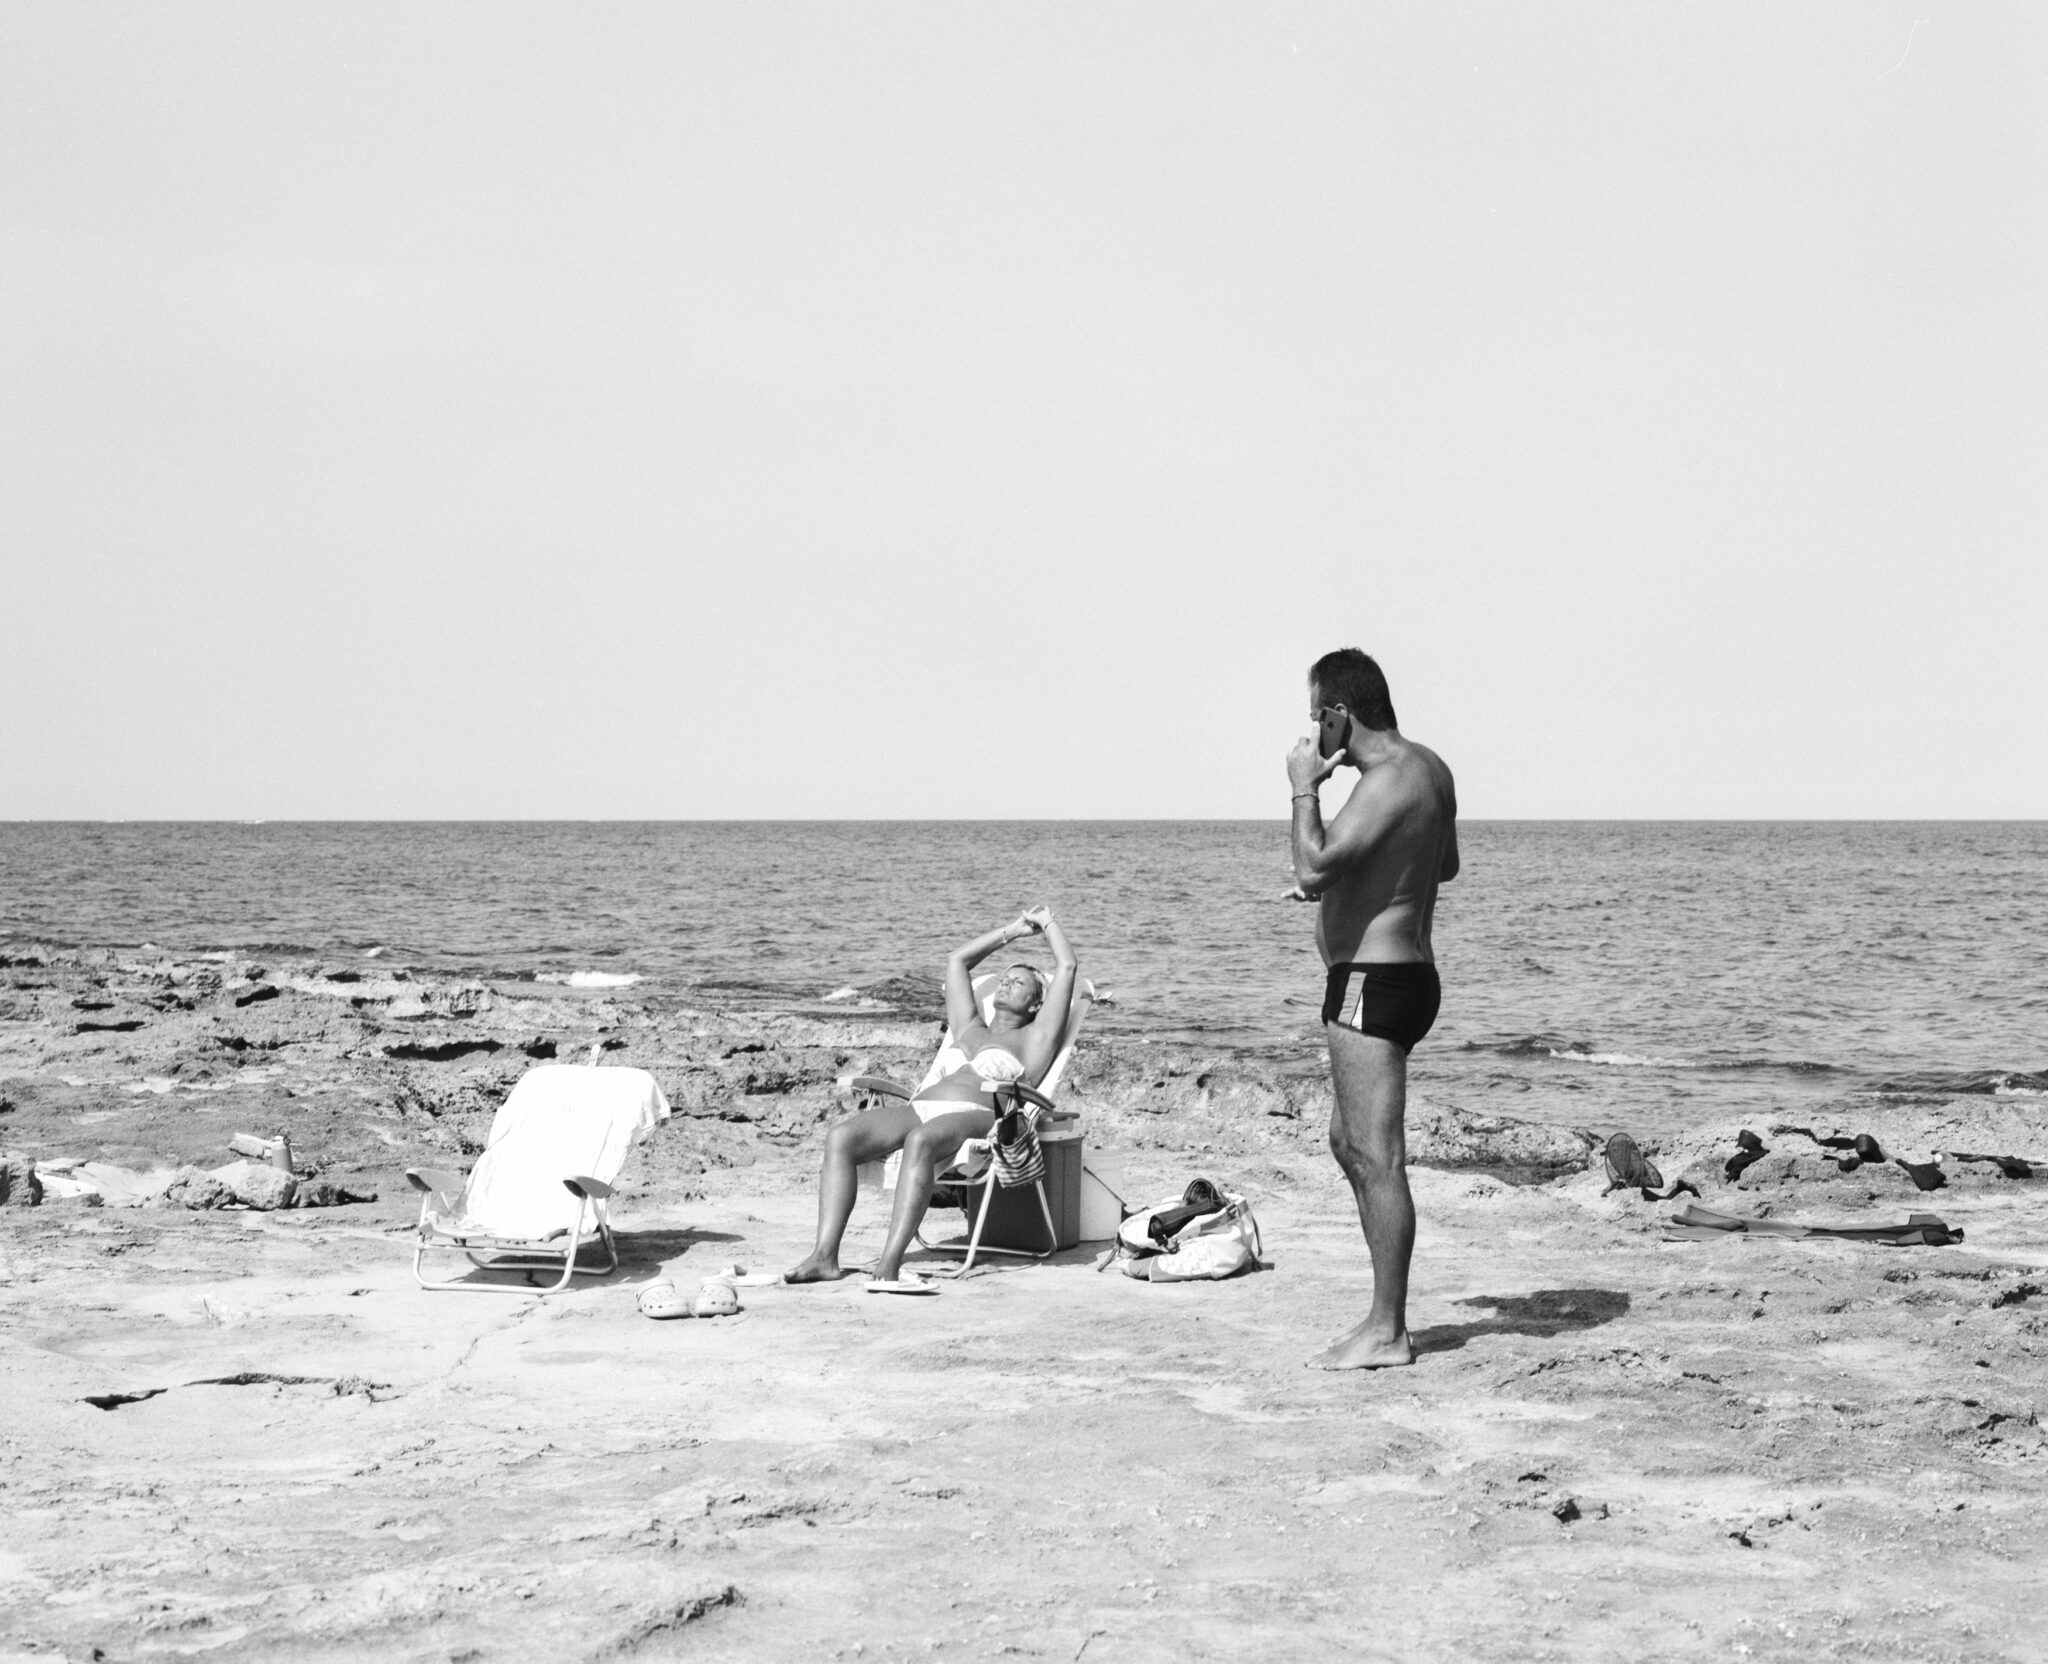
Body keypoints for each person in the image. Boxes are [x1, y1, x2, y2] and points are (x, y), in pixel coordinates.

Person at [1286, 648, 1459, 1368]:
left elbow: (1313, 862)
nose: (1312, 733)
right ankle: (1382, 1318)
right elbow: (1441, 864)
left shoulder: (1386, 778)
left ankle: (1388, 1330)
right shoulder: (1429, 768)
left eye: (1315, 717)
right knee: (1348, 1141)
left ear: (1339, 714)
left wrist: (1304, 788)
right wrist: (1356, 886)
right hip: (1403, 975)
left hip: (1371, 980)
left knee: (1376, 1156)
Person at [785, 905, 1079, 1289]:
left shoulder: (1035, 1039)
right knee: (841, 1137)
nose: (1006, 984)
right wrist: (1013, 930)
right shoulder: (969, 1026)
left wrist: (1047, 922)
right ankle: (824, 1257)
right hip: (923, 1106)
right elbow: (957, 961)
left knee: (920, 1140)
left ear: (1037, 1003)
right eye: (1004, 979)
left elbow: (1067, 966)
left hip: (983, 1113)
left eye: (1018, 982)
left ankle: (890, 1262)